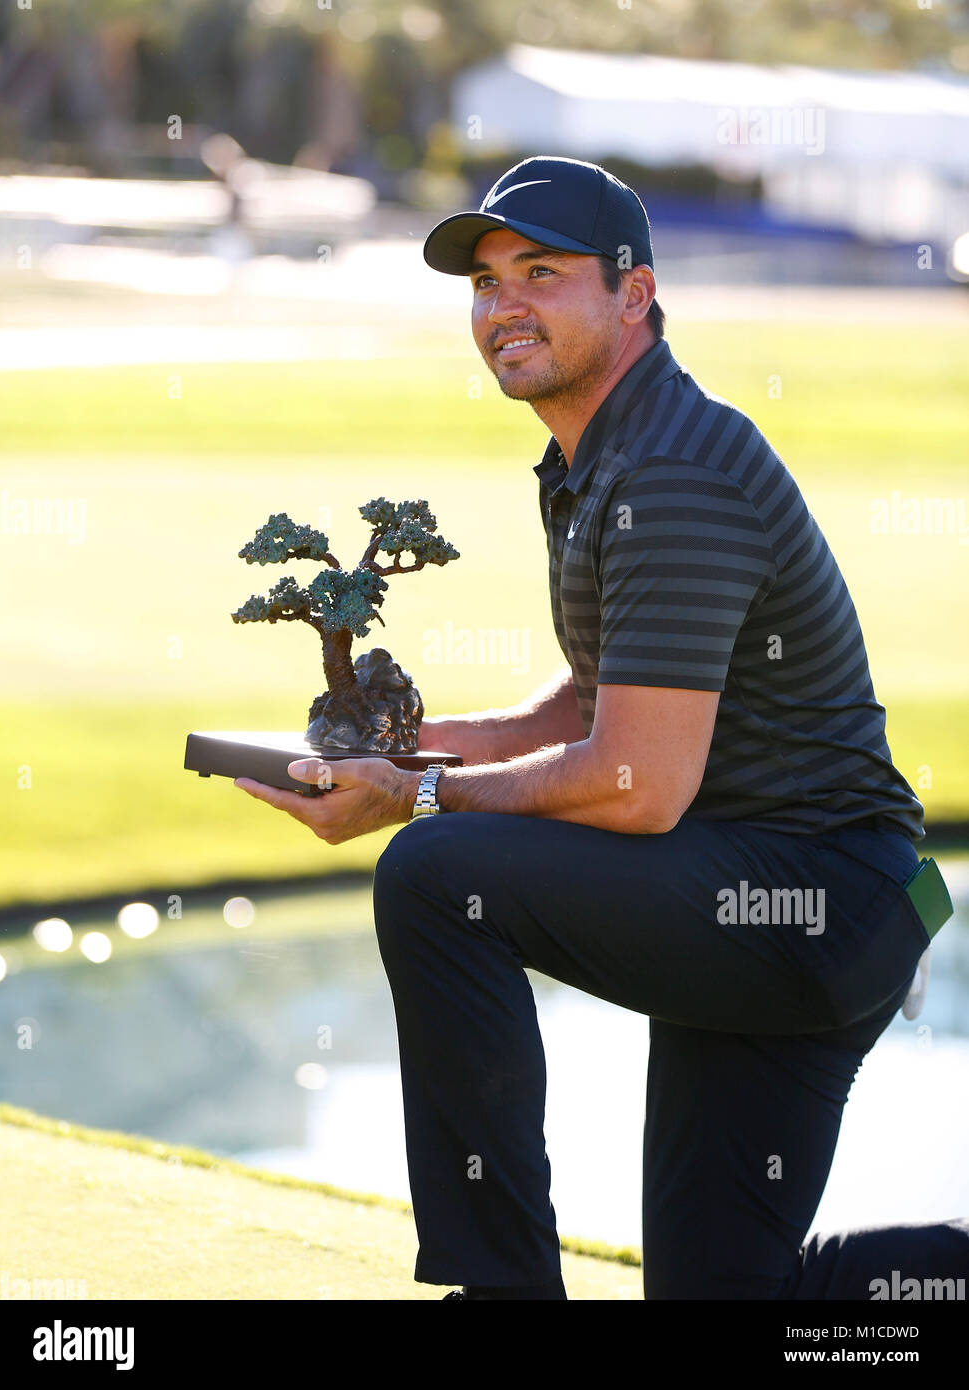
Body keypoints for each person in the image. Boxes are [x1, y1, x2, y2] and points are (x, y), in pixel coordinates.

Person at [234, 155, 968, 1300]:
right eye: (483, 283)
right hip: (785, 897)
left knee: (434, 874)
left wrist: (415, 801)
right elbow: (589, 703)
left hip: (809, 897)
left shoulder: (670, 470)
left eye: (540, 273)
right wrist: (404, 757)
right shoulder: (601, 454)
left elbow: (635, 781)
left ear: (633, 294)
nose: (500, 306)